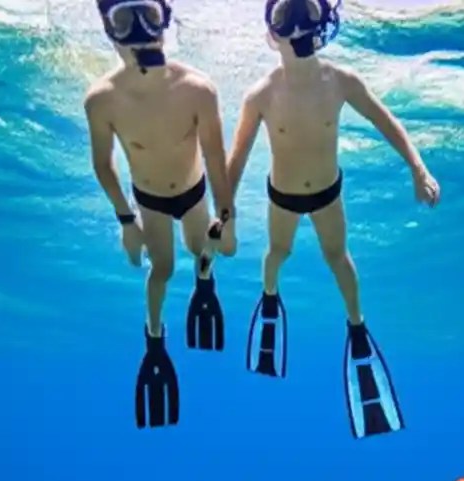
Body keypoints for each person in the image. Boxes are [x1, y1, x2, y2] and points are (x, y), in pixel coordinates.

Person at [225, 0, 440, 439]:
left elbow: (386, 122)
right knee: (277, 254)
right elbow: (238, 158)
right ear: (272, 32)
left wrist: (419, 167)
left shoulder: (341, 81)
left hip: (327, 194)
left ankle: (357, 326)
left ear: (323, 21)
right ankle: (269, 297)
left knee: (339, 258)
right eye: (287, 14)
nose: (297, 25)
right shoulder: (260, 94)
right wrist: (222, 214)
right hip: (281, 197)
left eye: (305, 11)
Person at [83, 0, 237, 430]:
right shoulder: (102, 100)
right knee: (163, 269)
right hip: (148, 201)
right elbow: (103, 164)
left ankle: (205, 280)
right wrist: (126, 221)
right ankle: (154, 341)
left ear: (166, 19)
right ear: (109, 30)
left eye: (147, 14)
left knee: (198, 247)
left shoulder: (197, 88)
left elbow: (215, 156)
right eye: (123, 18)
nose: (138, 30)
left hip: (193, 192)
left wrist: (227, 217)